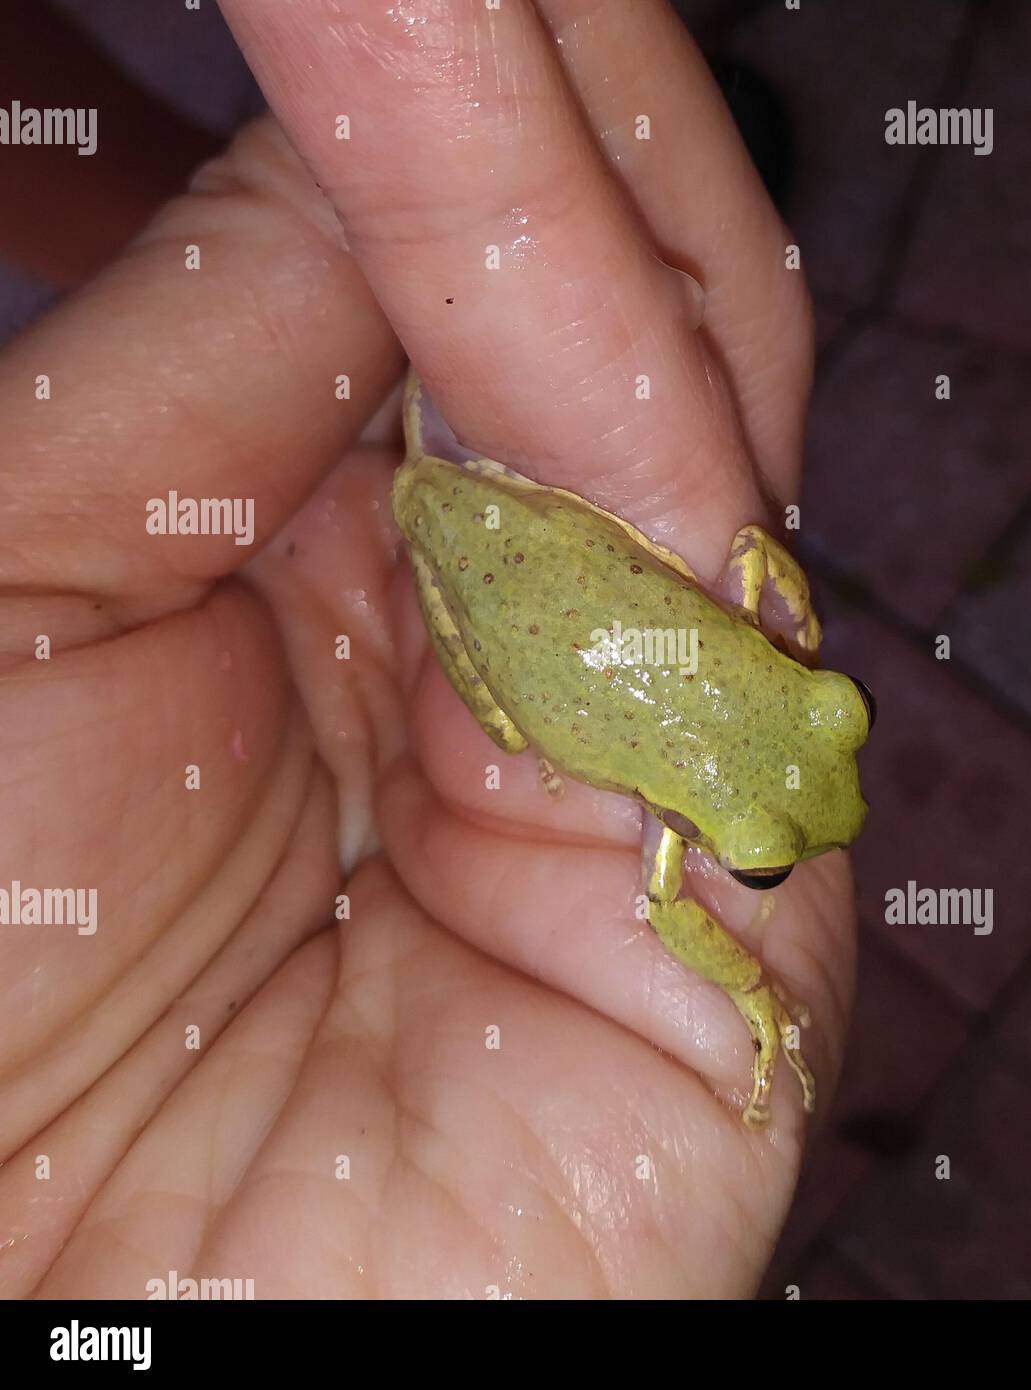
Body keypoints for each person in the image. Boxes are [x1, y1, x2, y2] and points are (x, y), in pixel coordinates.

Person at [0, 0, 851, 1298]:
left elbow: (749, 567)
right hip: (506, 541)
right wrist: (742, 989)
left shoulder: (746, 625)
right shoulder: (677, 833)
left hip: (533, 538)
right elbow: (664, 898)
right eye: (824, 699)